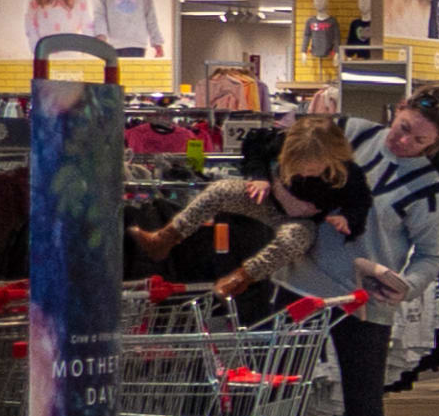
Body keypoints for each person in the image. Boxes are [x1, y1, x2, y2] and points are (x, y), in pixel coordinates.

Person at [267, 84, 439, 416]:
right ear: (394, 113)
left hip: (365, 301)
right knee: (288, 409)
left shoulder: (429, 188)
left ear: (433, 144)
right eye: (403, 128)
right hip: (300, 287)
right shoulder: (348, 132)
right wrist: (290, 197)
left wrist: (407, 286)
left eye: (418, 140)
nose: (404, 141)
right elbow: (286, 161)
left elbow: (431, 255)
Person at [131, 121, 369, 299]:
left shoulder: (349, 175)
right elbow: (253, 151)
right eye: (297, 168)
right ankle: (165, 238)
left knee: (293, 240)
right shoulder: (278, 142)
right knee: (220, 190)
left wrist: (347, 219)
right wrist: (260, 177)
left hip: (303, 220)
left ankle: (240, 279)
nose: (304, 175)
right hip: (267, 199)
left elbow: (360, 203)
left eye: (312, 170)